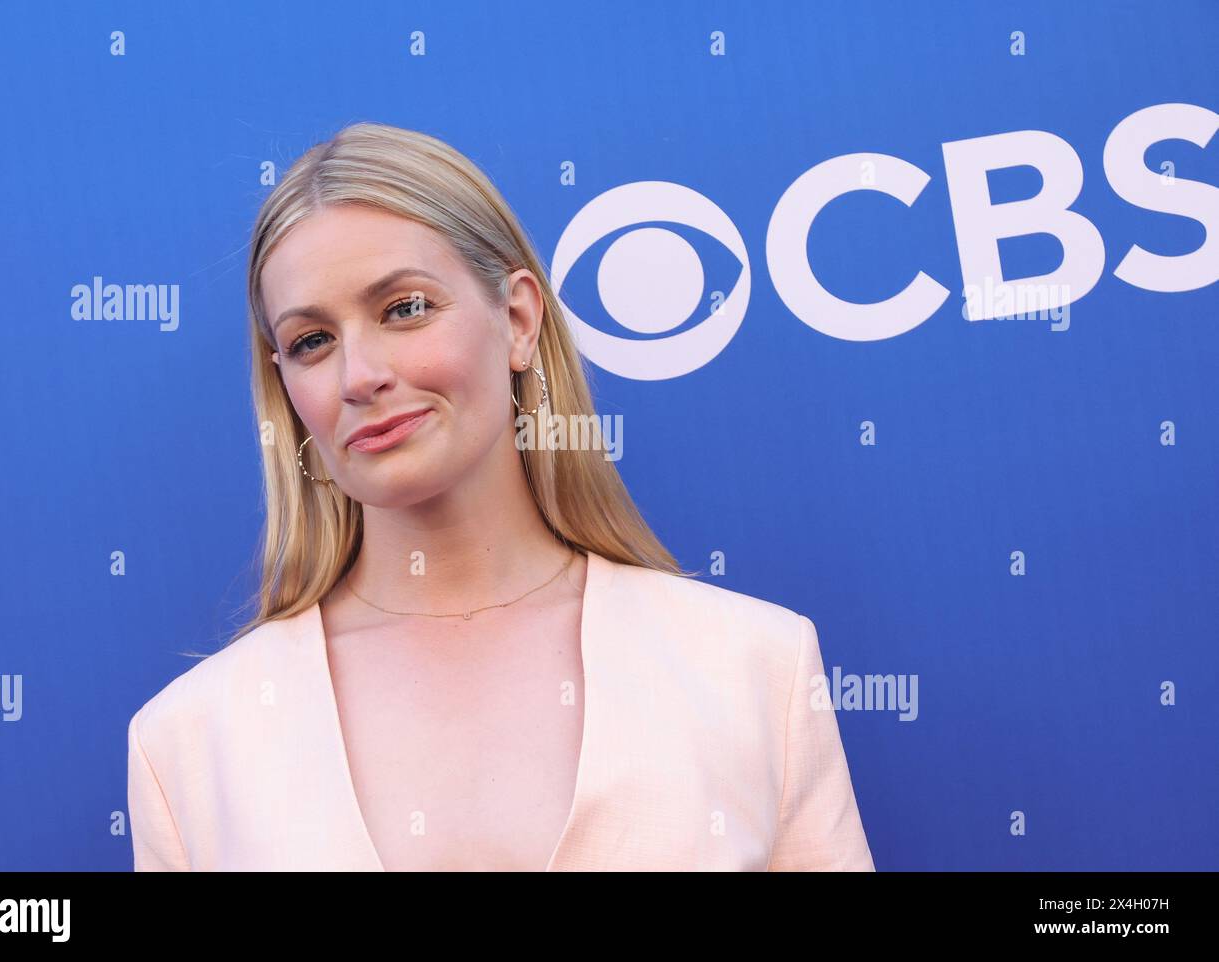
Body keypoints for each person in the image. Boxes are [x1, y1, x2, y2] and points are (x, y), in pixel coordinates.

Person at [126, 121, 874, 871]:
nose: (359, 375)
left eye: (405, 308)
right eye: (312, 341)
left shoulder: (754, 667)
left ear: (517, 319)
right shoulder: (190, 744)